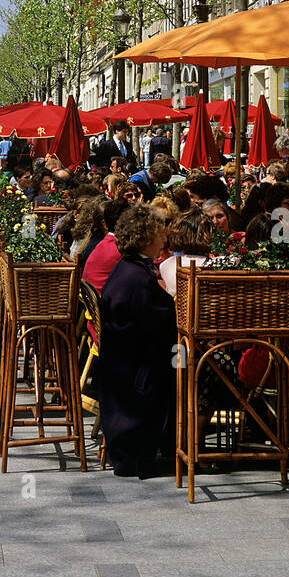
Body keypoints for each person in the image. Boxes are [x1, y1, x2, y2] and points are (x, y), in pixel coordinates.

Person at [97, 204, 176, 478]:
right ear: (146, 238)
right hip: (136, 372)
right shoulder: (136, 277)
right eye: (160, 233)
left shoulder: (129, 268)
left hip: (125, 365)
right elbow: (159, 323)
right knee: (197, 367)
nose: (164, 238)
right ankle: (180, 445)